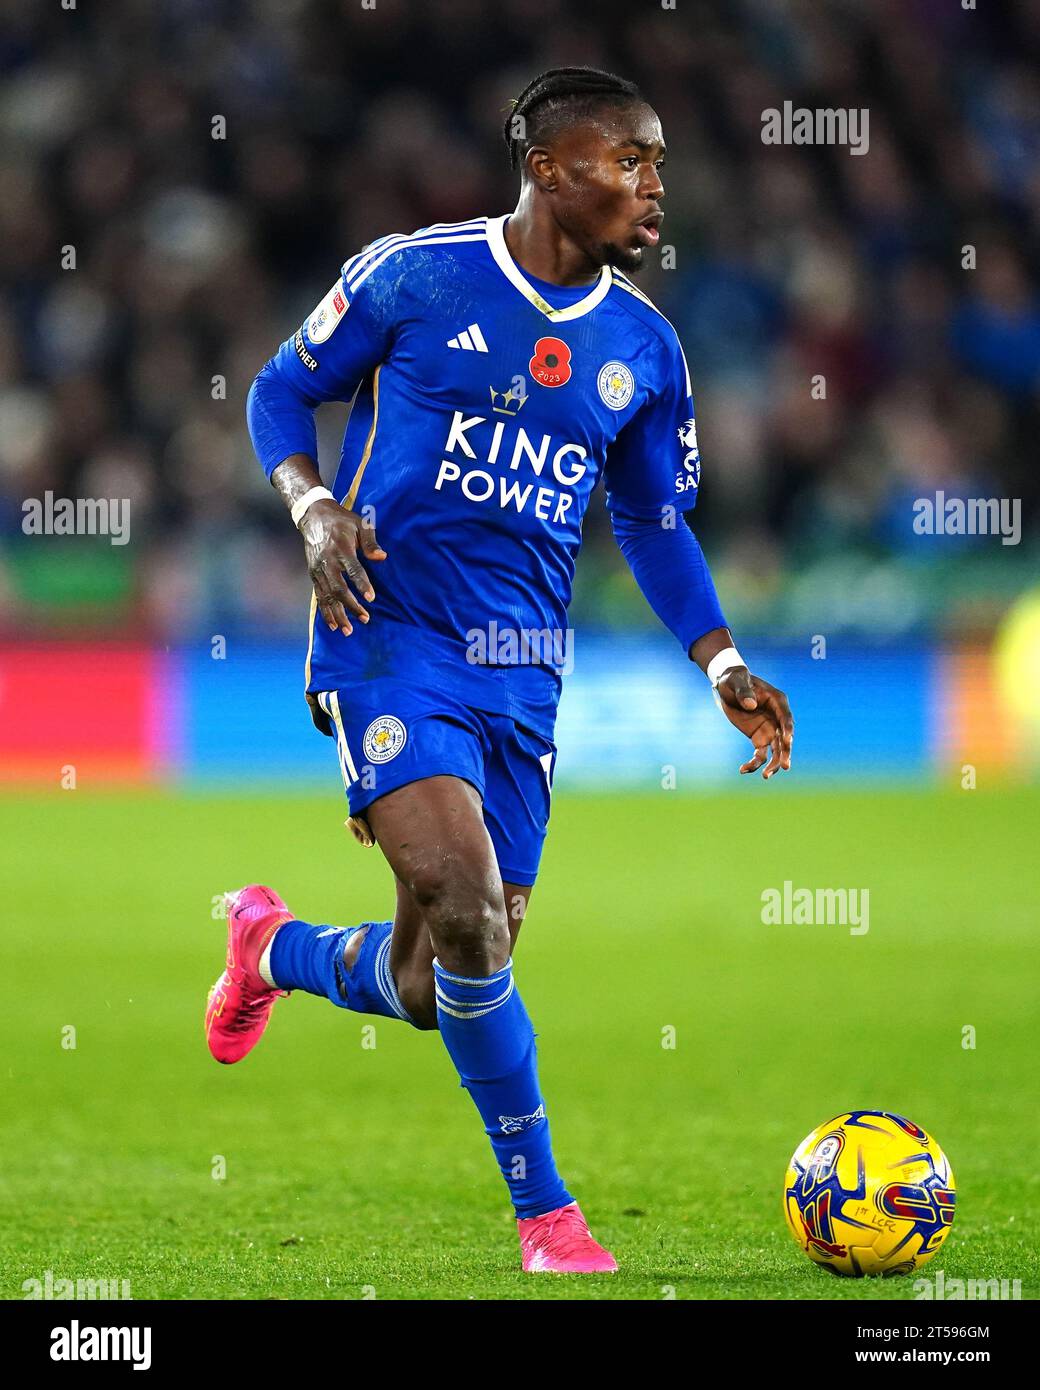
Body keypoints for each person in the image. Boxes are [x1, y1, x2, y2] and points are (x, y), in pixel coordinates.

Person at [208, 65, 794, 1274]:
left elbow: (649, 523)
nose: (652, 187)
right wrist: (312, 507)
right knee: (469, 912)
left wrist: (720, 657)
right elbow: (280, 389)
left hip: (522, 674)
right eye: (627, 160)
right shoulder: (414, 273)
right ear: (547, 169)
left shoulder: (643, 347)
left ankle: (272, 949)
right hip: (386, 635)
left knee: (435, 981)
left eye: (658, 164)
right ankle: (548, 1216)